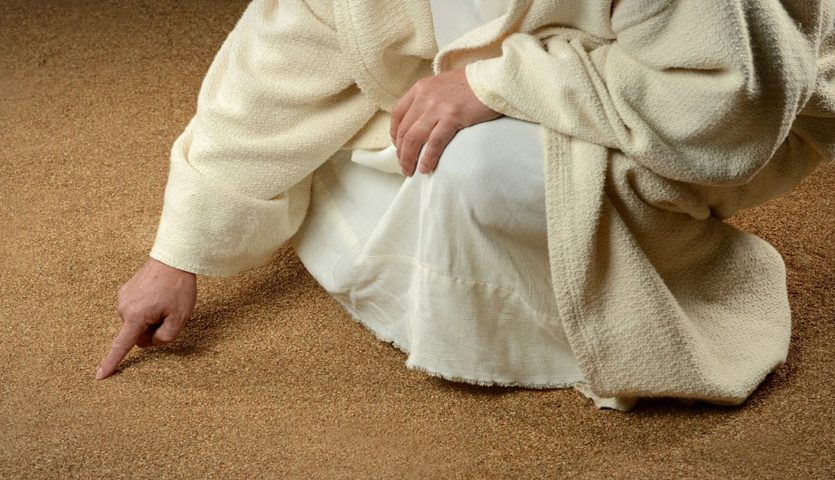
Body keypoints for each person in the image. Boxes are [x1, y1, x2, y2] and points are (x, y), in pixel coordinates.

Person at [95, 0, 835, 410]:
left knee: (477, 169)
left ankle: (639, 285)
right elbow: (276, 67)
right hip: (603, 71)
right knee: (354, 134)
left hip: (740, 106)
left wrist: (497, 85)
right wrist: (178, 255)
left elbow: (726, 110)